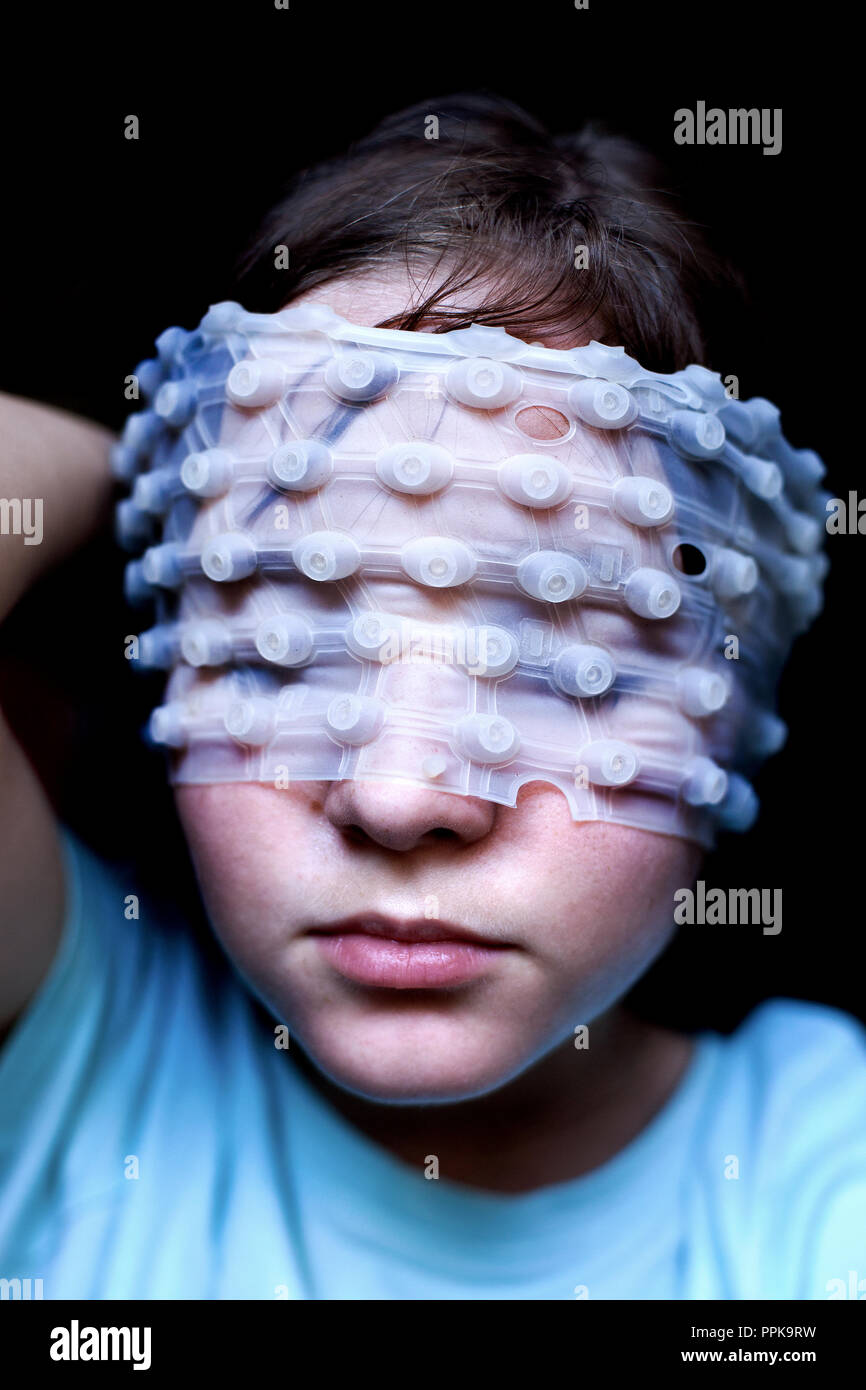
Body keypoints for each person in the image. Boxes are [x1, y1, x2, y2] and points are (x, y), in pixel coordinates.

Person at [1, 93, 863, 1301]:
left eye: (576, 669)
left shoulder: (823, 1167)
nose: (401, 798)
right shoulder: (79, 1061)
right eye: (284, 656)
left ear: (740, 711)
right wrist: (163, 467)